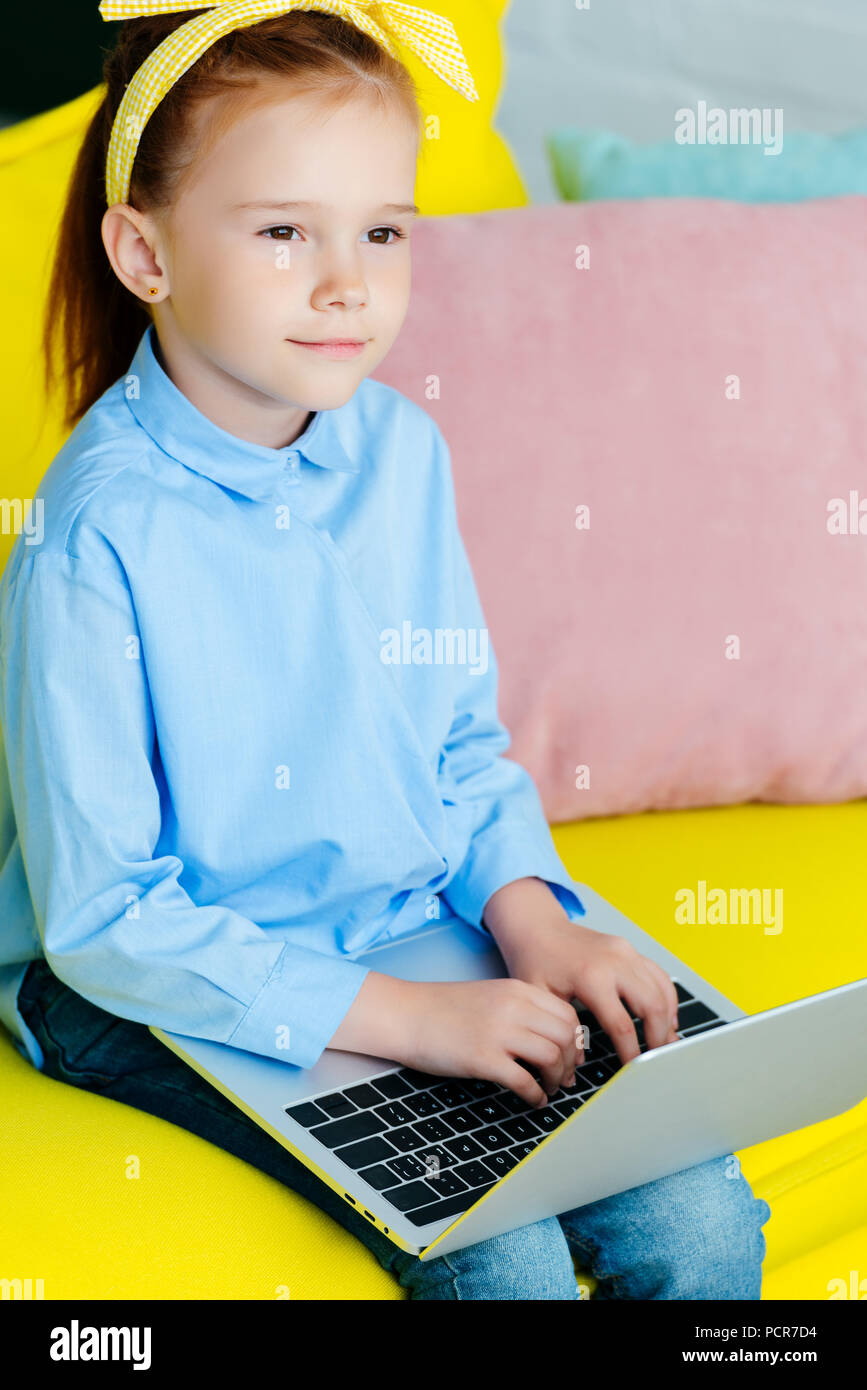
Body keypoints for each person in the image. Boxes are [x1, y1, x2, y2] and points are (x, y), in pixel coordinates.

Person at [0, 1, 771, 1300]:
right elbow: (104, 916)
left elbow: (457, 749)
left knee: (700, 1228)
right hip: (148, 972)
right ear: (144, 251)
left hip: (399, 920)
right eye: (285, 231)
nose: (349, 281)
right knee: (504, 1264)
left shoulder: (401, 455)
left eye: (383, 231)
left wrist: (537, 918)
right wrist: (413, 1020)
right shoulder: (94, 537)